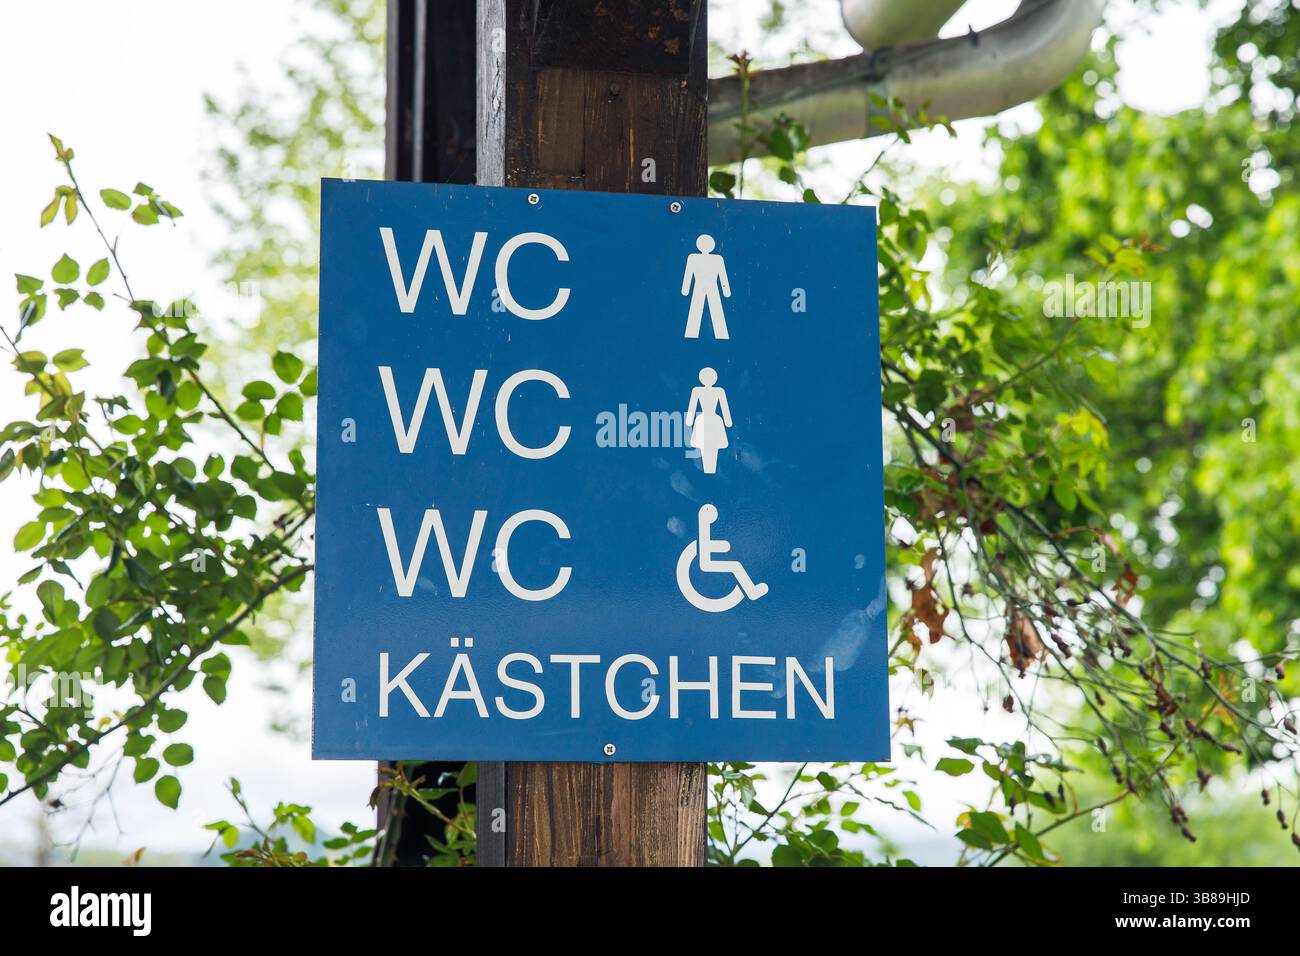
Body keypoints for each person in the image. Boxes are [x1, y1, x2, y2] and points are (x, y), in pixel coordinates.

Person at [696, 504, 767, 600]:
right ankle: (751, 591)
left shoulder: (705, 526)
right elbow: (709, 545)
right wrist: (724, 545)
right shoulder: (704, 526)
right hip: (708, 563)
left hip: (709, 561)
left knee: (736, 566)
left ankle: (751, 591)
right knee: (736, 566)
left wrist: (724, 546)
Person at [681, 234, 731, 339]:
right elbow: (688, 274)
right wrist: (726, 292)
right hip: (706, 286)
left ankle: (692, 334)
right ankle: (694, 334)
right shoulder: (716, 259)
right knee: (710, 309)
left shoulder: (694, 258)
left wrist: (685, 290)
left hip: (704, 286)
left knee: (698, 309)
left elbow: (722, 276)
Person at [684, 367, 732, 474]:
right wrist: (689, 421)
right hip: (708, 420)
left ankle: (710, 470)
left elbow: (724, 407)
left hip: (709, 420)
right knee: (706, 445)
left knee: (712, 446)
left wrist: (728, 421)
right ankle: (709, 470)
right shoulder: (698, 390)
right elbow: (692, 406)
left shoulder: (718, 391)